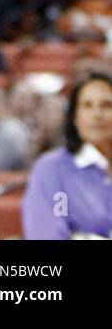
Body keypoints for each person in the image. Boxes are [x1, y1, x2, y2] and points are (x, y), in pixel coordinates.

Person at [23, 72, 112, 240]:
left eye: (107, 105)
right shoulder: (55, 171)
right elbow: (49, 233)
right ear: (74, 117)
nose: (97, 114)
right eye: (87, 105)